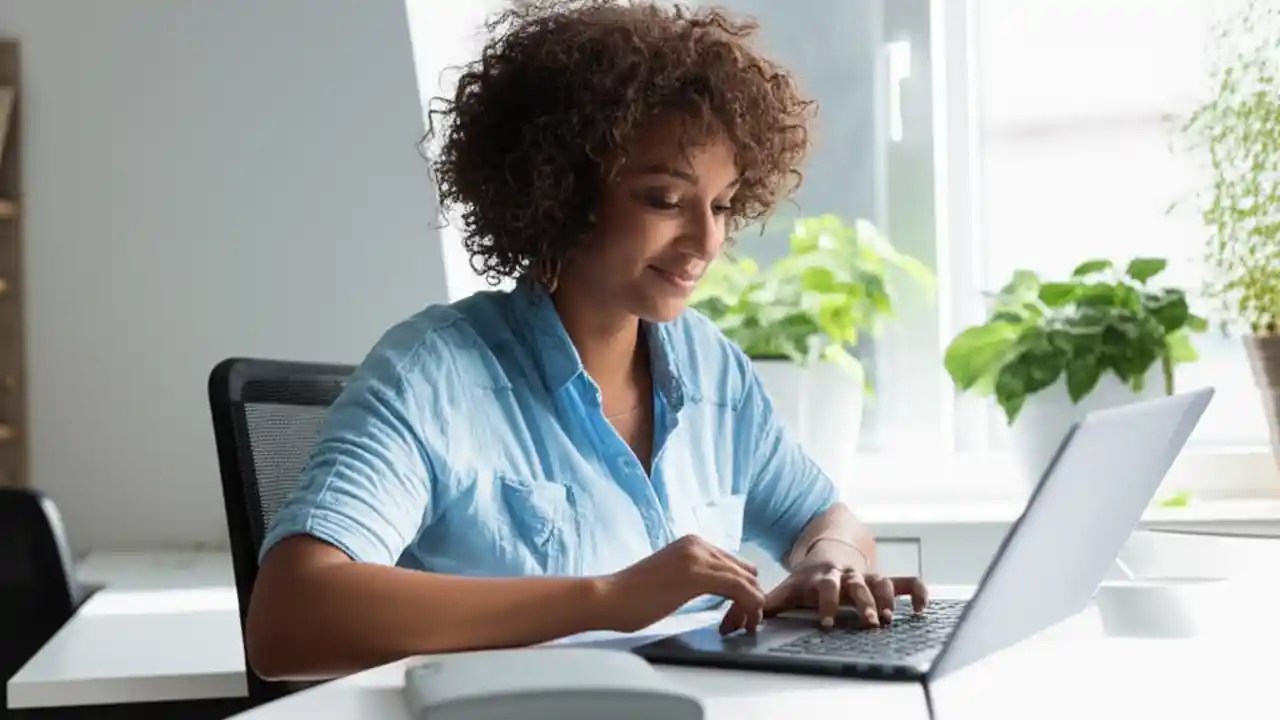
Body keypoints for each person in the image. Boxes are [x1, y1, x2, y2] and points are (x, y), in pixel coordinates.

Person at [247, 0, 927, 680]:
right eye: (665, 199)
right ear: (563, 192)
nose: (707, 241)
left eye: (721, 206)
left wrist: (830, 562)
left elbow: (824, 516)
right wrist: (607, 598)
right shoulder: (434, 374)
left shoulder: (709, 366)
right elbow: (289, 617)